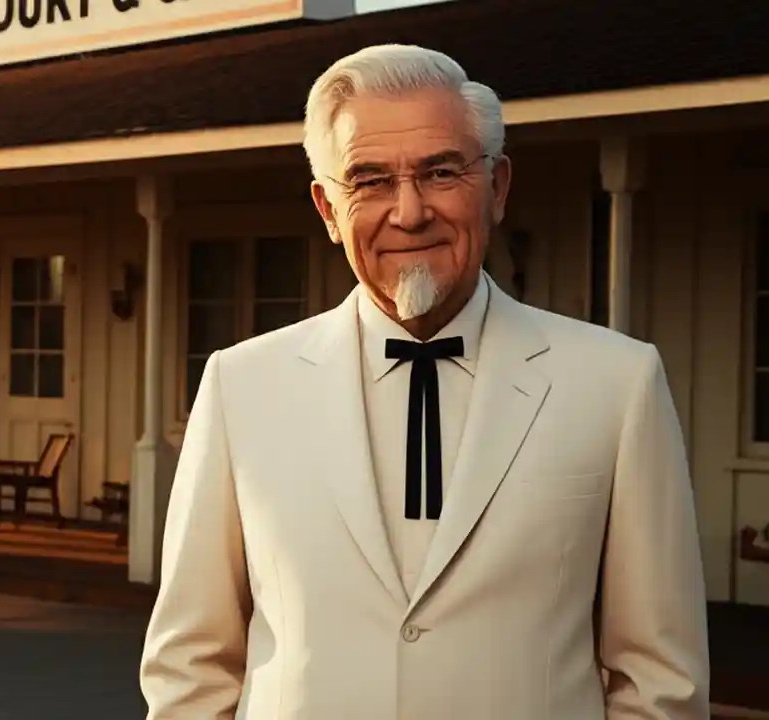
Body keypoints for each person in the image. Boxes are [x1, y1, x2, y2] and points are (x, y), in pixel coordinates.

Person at [139, 44, 709, 719]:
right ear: (327, 208)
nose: (409, 212)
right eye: (371, 180)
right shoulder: (242, 387)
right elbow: (190, 668)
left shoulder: (617, 383)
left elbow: (659, 681)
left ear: (496, 187)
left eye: (440, 171)